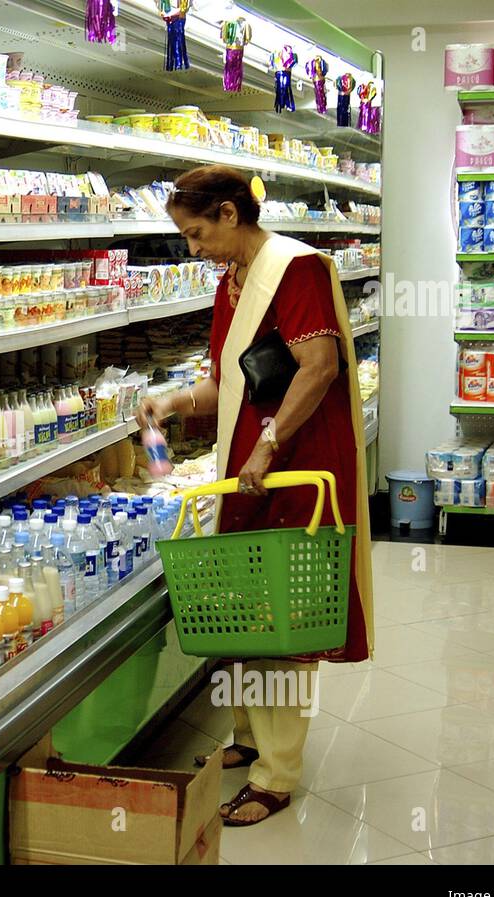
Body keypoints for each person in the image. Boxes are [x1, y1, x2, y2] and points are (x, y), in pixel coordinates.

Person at [138, 164, 375, 826]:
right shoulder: (231, 285)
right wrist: (172, 401)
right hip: (248, 466)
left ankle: (277, 774)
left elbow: (319, 366)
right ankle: (249, 735)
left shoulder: (294, 272)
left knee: (286, 616)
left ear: (229, 216)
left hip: (293, 464)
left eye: (195, 234)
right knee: (246, 604)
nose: (192, 249)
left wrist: (268, 444)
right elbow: (224, 383)